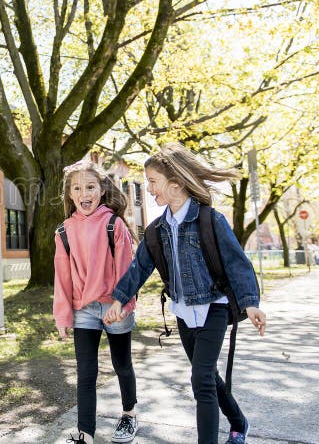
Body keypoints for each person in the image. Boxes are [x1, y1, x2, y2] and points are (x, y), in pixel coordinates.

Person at [104, 143, 266, 444]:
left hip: (213, 307)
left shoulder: (210, 220)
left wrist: (251, 304)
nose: (148, 188)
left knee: (201, 379)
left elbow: (237, 263)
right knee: (208, 376)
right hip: (182, 312)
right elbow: (138, 268)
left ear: (176, 183)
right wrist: (118, 300)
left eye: (152, 182)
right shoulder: (156, 230)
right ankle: (238, 420)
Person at [54, 160, 139, 443]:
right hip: (84, 310)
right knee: (86, 372)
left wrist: (121, 305)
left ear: (101, 190)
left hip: (115, 307)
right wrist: (63, 317)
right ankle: (85, 434)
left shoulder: (114, 225)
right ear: (70, 195)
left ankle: (128, 415)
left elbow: (127, 272)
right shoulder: (64, 231)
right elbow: (62, 278)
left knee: (121, 364)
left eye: (90, 186)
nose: (84, 193)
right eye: (77, 188)